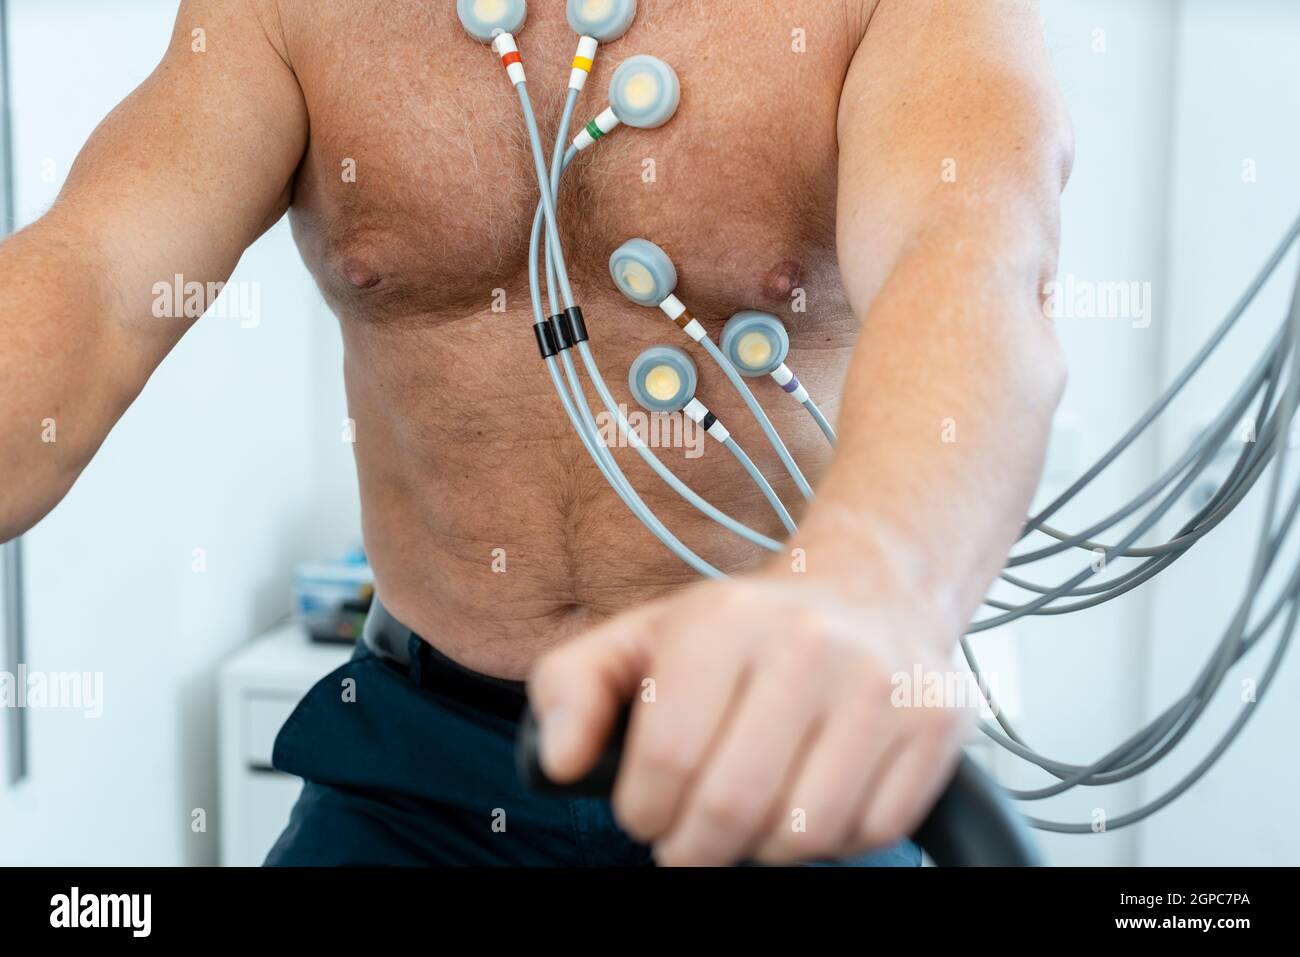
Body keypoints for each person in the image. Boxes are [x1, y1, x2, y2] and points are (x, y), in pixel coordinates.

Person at [0, 0, 1071, 866]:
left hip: (764, 755)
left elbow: (971, 258)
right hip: (418, 770)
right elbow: (93, 282)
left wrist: (874, 588)